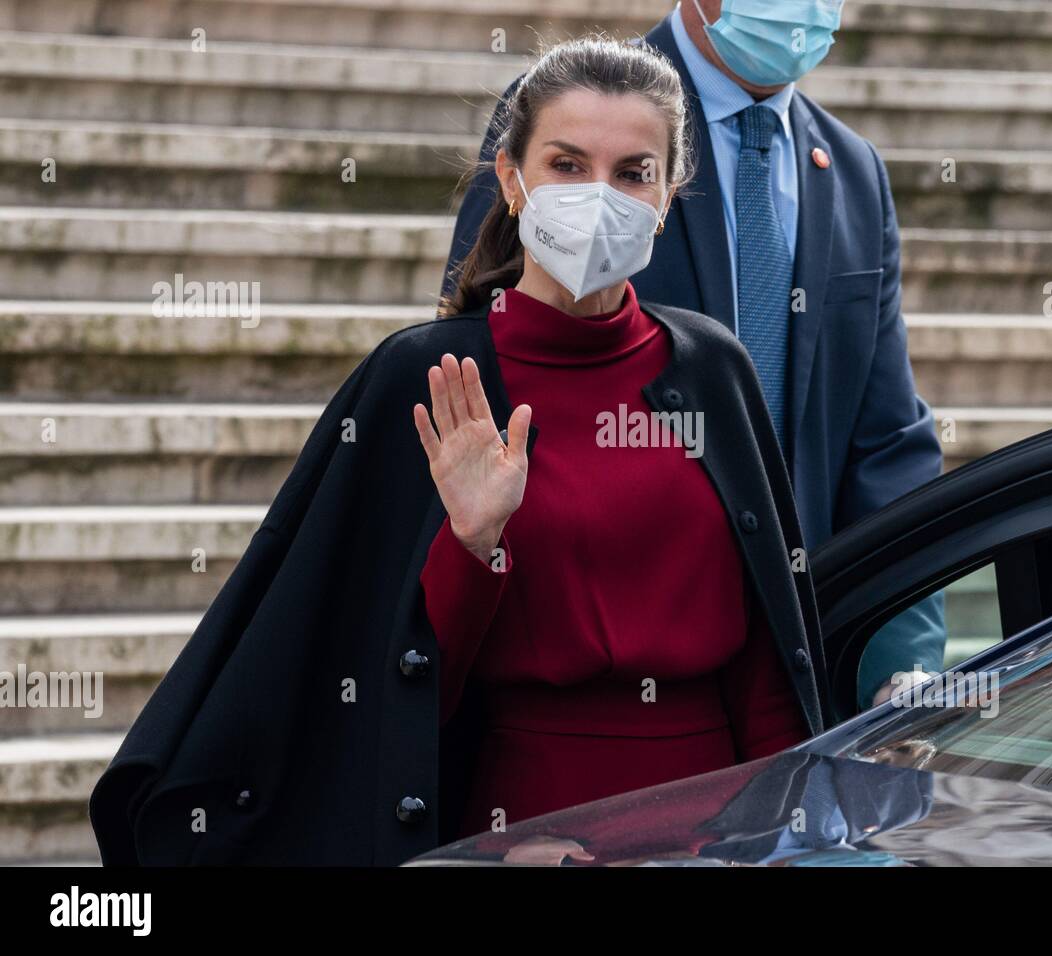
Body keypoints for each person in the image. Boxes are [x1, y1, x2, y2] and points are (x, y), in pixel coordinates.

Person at [89, 36, 829, 866]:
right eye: (566, 164)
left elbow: (770, 664)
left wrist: (779, 837)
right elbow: (372, 688)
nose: (599, 196)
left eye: (632, 173)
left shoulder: (711, 365)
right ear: (512, 180)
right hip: (526, 828)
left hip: (715, 826)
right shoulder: (432, 375)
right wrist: (473, 546)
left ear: (667, 196)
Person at [446, 1, 948, 713]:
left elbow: (888, 441)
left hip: (789, 676)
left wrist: (901, 666)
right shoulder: (584, 113)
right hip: (607, 672)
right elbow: (484, 362)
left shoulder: (855, 172)